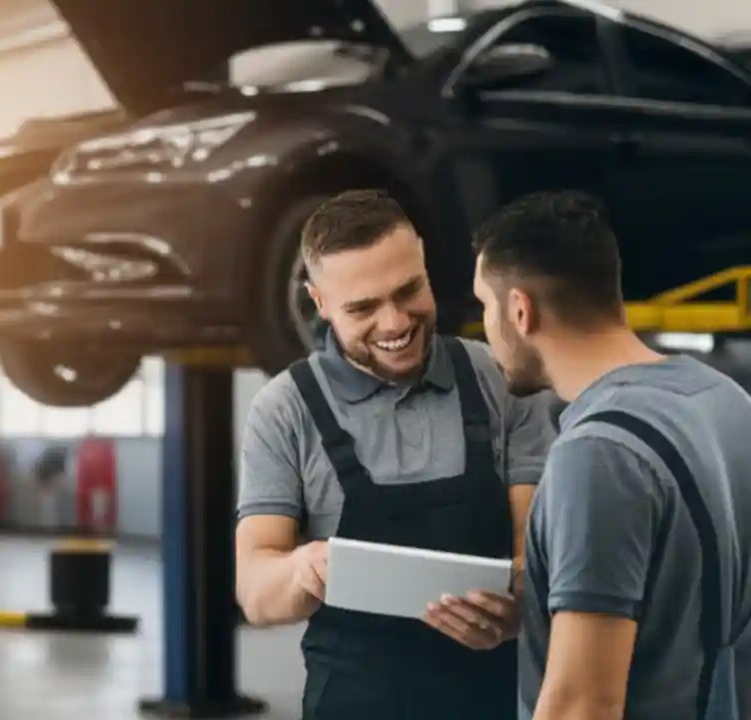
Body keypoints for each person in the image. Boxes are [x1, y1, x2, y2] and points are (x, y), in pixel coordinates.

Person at [234, 189, 558, 720]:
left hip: (495, 699)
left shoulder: (497, 380)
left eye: (409, 290)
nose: (395, 324)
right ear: (318, 302)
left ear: (424, 261)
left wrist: (517, 607)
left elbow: (538, 556)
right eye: (362, 308)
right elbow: (255, 591)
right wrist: (302, 569)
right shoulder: (286, 410)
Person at [433, 189, 751, 719]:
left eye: (486, 305)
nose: (485, 326)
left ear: (520, 310)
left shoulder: (597, 454)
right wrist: (545, 600)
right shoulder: (724, 402)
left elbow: (582, 706)